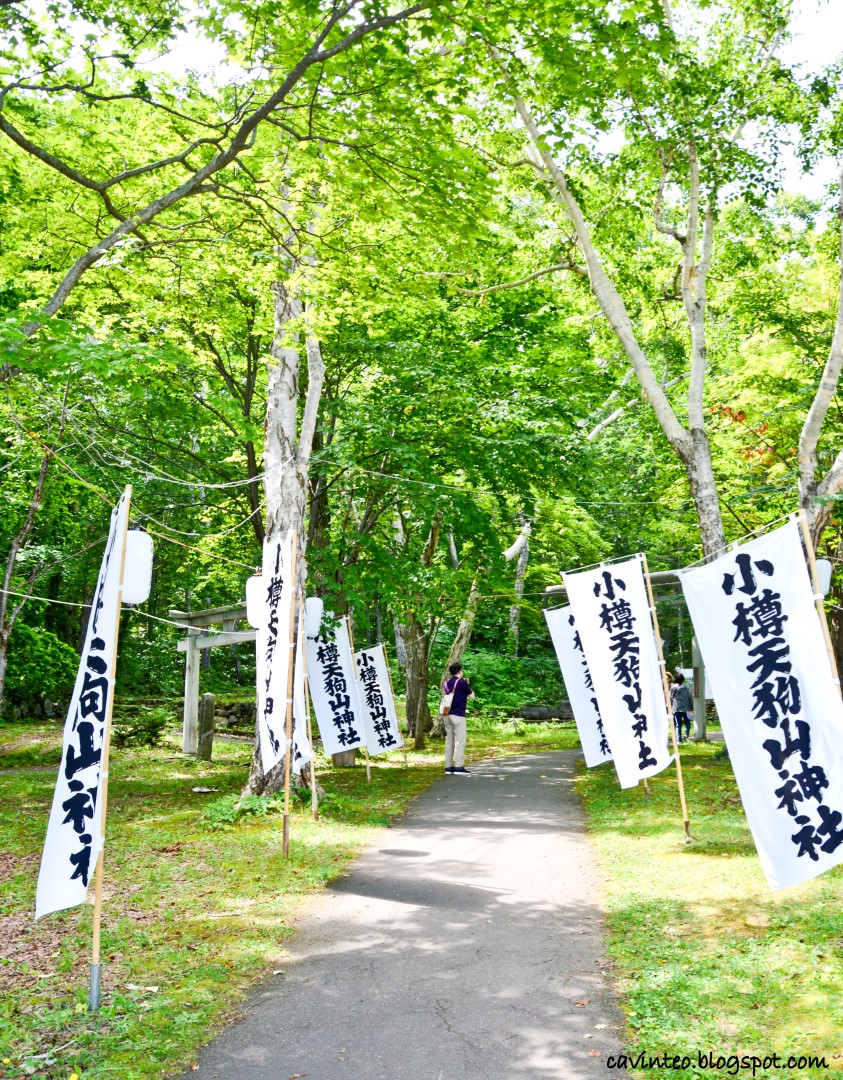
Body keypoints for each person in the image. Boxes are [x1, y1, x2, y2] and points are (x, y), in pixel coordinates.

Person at [442, 662, 475, 776]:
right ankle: (458, 766)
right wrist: (468, 685)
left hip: (446, 714)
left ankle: (448, 766)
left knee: (449, 741)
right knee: (460, 741)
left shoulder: (446, 683)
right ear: (460, 671)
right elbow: (472, 696)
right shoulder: (462, 683)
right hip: (458, 715)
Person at [670, 671, 693, 743]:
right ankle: (686, 735)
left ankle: (679, 740)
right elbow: (690, 697)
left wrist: (671, 706)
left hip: (676, 707)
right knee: (687, 723)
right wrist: (692, 706)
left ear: (675, 679)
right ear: (683, 679)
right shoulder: (686, 687)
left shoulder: (673, 688)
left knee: (678, 724)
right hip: (686, 707)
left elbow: (671, 697)